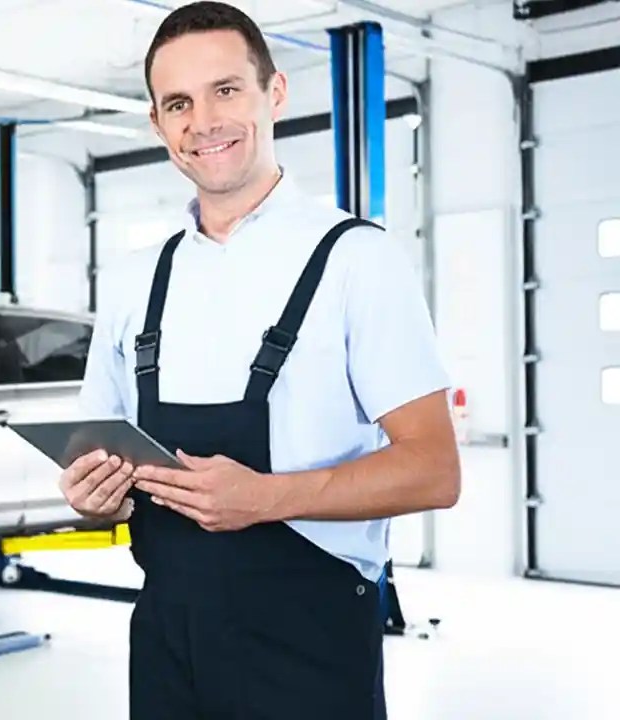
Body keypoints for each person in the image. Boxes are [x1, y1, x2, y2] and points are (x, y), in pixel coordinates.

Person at [57, 3, 461, 718]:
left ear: (274, 93)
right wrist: (97, 495)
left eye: (226, 90)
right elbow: (104, 454)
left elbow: (434, 468)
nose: (202, 121)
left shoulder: (356, 260)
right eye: (177, 102)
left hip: (309, 644)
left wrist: (266, 498)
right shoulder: (132, 280)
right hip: (165, 641)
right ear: (157, 123)